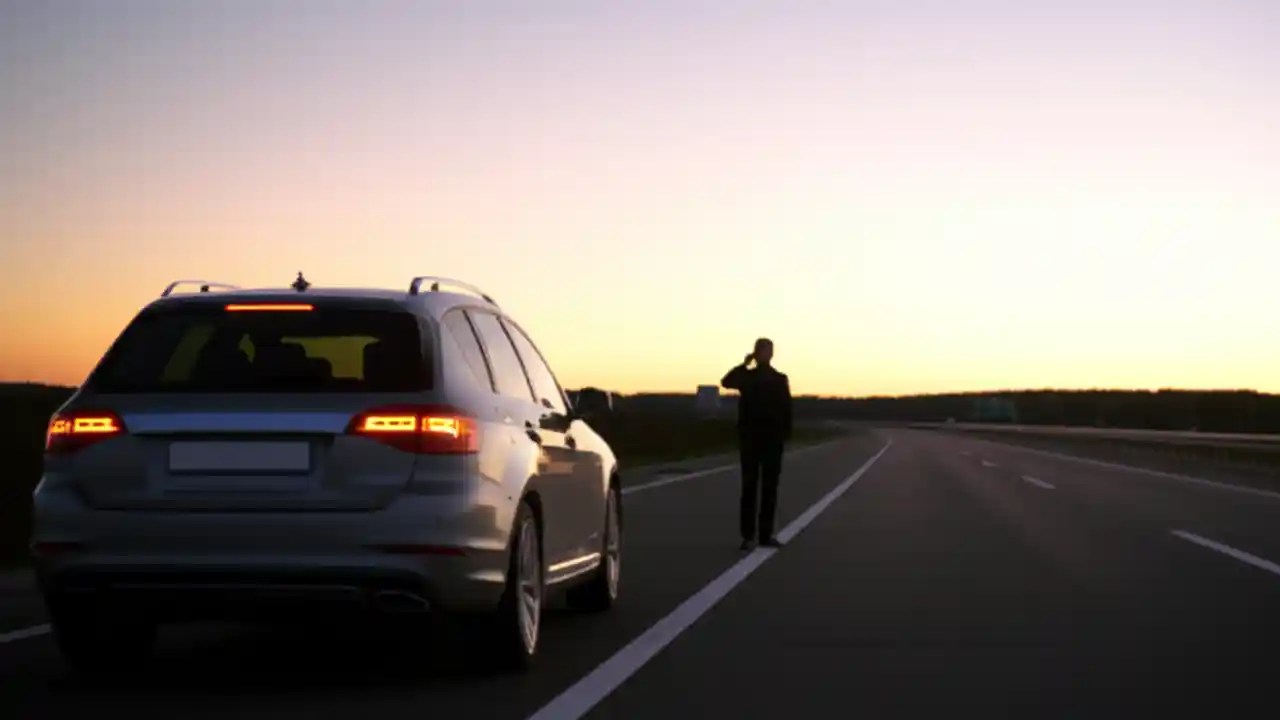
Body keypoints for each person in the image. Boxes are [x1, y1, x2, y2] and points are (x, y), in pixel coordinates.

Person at [721, 338, 792, 550]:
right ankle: (748, 536)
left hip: (771, 440)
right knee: (750, 489)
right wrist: (744, 364)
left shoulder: (779, 379)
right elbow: (726, 381)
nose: (764, 354)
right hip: (751, 439)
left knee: (769, 489)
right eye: (761, 351)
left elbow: (787, 408)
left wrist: (785, 435)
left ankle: (765, 534)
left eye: (766, 351)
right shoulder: (747, 377)